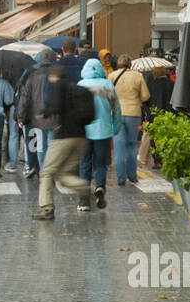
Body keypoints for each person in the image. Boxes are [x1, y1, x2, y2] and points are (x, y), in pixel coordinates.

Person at [35, 64, 94, 219]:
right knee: (63, 173)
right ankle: (86, 189)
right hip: (81, 137)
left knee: (47, 171)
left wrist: (44, 113)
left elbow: (55, 104)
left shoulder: (58, 85)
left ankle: (46, 208)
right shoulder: (78, 88)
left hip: (64, 137)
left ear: (54, 76)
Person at [77, 58, 123, 210]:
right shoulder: (108, 85)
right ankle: (100, 186)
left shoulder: (80, 85)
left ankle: (83, 202)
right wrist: (115, 128)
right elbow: (116, 109)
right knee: (100, 163)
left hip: (83, 131)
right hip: (103, 131)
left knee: (84, 164)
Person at [107, 54, 149, 186]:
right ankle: (132, 175)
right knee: (131, 145)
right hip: (133, 113)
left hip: (117, 113)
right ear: (130, 63)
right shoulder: (138, 76)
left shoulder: (112, 76)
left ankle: (120, 178)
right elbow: (145, 96)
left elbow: (108, 95)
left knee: (119, 146)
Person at [18, 54, 54, 178]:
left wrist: (20, 117)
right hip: (53, 117)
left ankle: (43, 172)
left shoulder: (32, 76)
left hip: (37, 117)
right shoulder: (55, 75)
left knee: (40, 146)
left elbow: (24, 98)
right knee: (51, 145)